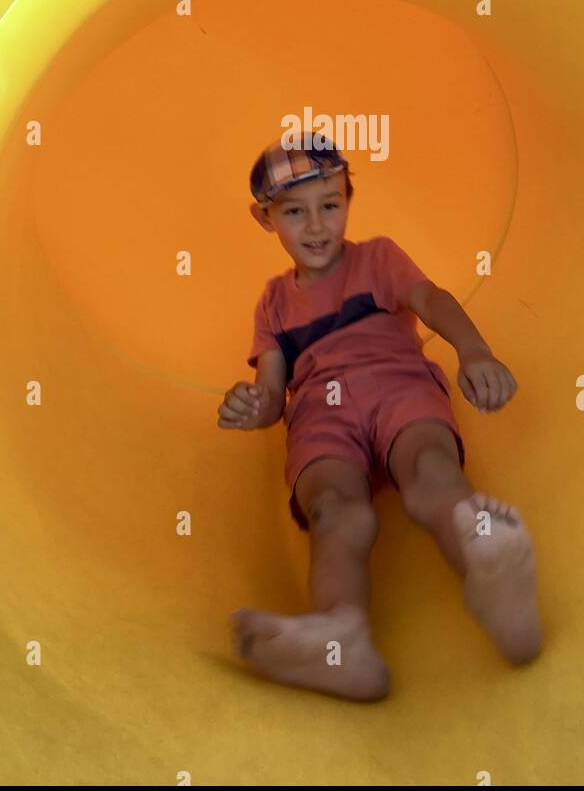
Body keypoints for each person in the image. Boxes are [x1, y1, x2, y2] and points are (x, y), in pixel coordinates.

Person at [217, 135, 541, 700]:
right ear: (264, 218)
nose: (316, 226)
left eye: (331, 204)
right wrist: (253, 407)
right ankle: (343, 639)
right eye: (295, 212)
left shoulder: (378, 258)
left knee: (430, 471)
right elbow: (271, 393)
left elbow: (432, 300)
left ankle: (491, 566)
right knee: (335, 509)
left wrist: (475, 350)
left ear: (349, 198)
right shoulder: (272, 305)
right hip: (319, 413)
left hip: (398, 382)